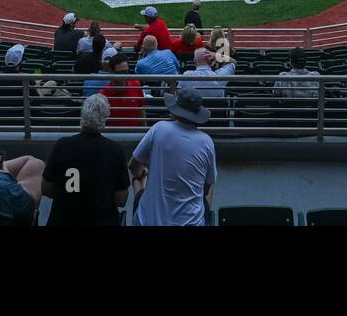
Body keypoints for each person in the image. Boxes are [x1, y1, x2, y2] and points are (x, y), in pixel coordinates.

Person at [129, 87, 216, 226]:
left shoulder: (159, 128)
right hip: (191, 223)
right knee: (211, 184)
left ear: (175, 111)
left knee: (138, 175)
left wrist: (140, 175)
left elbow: (133, 166)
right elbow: (206, 188)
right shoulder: (207, 142)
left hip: (148, 221)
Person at [42, 95, 130, 226]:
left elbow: (46, 189)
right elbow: (121, 200)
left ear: (82, 115)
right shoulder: (116, 151)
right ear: (105, 118)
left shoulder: (62, 145)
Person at [99, 54, 146, 128]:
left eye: (126, 72)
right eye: (120, 73)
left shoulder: (136, 85)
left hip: (135, 134)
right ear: (111, 72)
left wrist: (144, 131)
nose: (124, 76)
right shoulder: (103, 94)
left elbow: (141, 110)